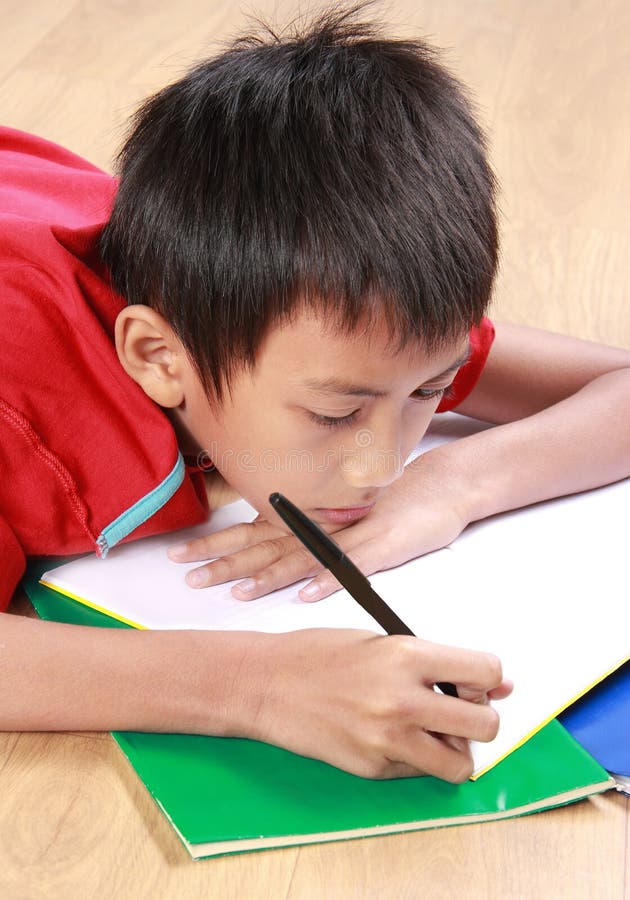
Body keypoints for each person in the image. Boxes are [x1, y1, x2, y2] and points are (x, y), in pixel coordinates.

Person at [1, 6, 628, 782]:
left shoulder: (326, 316)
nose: (381, 464)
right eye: (336, 415)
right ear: (158, 356)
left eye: (430, 391)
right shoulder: (20, 399)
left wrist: (453, 484)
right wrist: (259, 687)